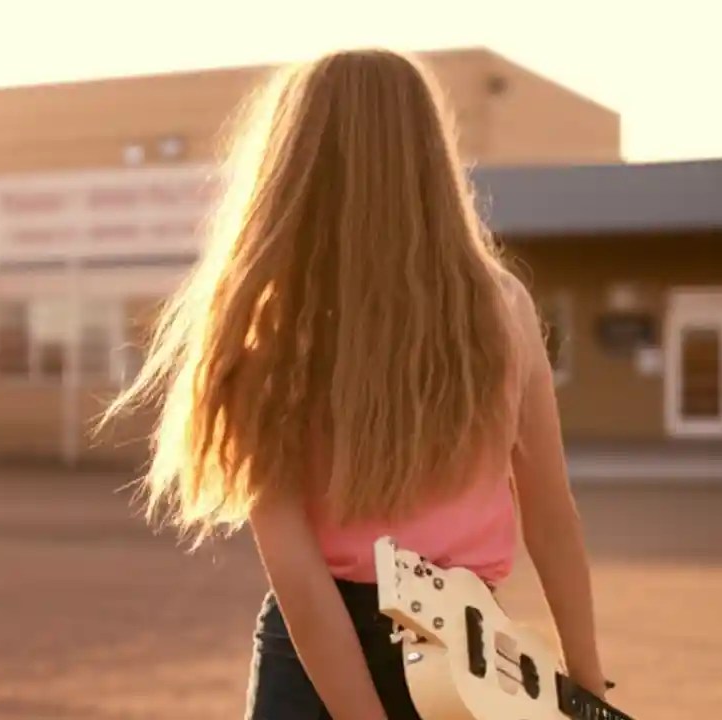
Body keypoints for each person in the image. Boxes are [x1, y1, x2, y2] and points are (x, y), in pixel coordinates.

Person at [101, 48, 607, 719]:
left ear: (295, 160)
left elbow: (301, 579)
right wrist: (589, 691)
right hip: (464, 663)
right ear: (429, 154)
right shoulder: (503, 306)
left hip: (323, 664)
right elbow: (551, 518)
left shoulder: (271, 324)